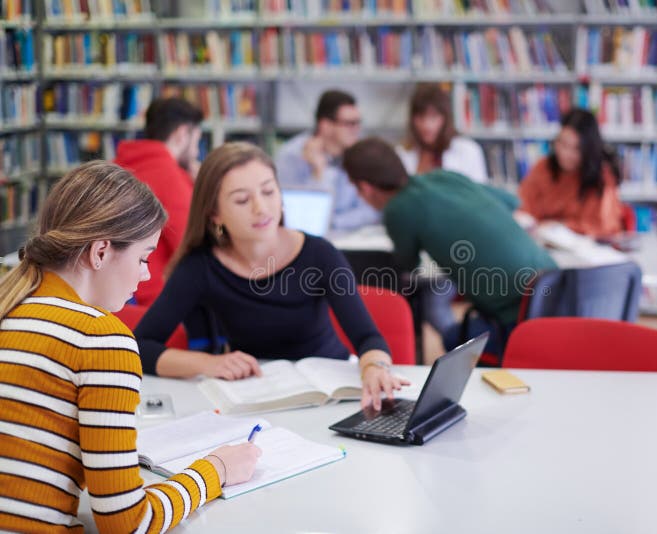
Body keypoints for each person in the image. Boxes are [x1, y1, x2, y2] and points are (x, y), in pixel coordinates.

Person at [0, 161, 261, 533]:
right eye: (143, 257)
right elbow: (128, 524)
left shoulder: (10, 304)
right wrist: (217, 469)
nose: (147, 274)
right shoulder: (101, 338)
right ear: (101, 252)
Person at [134, 142, 406, 410]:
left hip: (331, 394)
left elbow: (368, 338)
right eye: (242, 199)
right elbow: (141, 346)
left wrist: (374, 367)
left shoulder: (320, 254)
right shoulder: (201, 266)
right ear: (214, 214)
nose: (261, 208)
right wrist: (208, 363)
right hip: (259, 397)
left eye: (268, 191)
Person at [342, 137, 557, 351]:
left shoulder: (398, 209)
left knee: (452, 339)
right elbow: (511, 202)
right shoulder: (444, 177)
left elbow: (406, 266)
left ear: (365, 188)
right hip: (555, 287)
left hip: (518, 319)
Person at [114, 97, 204, 306]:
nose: (196, 152)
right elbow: (192, 247)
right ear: (182, 134)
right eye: (197, 141)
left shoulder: (118, 165)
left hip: (123, 296)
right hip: (155, 300)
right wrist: (203, 190)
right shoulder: (169, 176)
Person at [275, 89, 380, 231]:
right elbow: (296, 215)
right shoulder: (291, 156)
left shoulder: (360, 153)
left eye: (358, 122)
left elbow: (372, 210)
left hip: (351, 239)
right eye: (350, 123)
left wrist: (334, 222)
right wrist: (318, 174)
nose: (357, 129)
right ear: (325, 125)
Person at [518, 108, 624, 238]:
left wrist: (561, 226)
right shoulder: (543, 167)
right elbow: (523, 207)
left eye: (576, 148)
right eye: (562, 144)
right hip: (543, 244)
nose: (565, 154)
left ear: (588, 150)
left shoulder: (602, 175)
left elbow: (603, 226)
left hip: (585, 249)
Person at [395, 83, 489, 183]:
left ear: (445, 118)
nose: (427, 125)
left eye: (434, 116)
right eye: (420, 117)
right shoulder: (402, 153)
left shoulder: (468, 151)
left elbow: (479, 193)